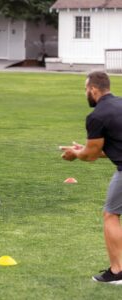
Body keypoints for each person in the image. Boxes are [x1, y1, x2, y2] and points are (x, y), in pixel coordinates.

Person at [61, 71, 122, 284]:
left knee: (111, 214)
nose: (85, 93)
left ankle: (117, 271)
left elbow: (91, 156)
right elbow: (112, 147)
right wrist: (85, 148)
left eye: (86, 90)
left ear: (93, 90)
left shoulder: (97, 116)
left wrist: (75, 153)